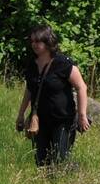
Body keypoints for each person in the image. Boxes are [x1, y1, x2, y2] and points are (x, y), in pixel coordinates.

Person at [15, 25, 90, 170]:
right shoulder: (31, 64)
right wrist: (21, 114)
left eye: (38, 41)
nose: (34, 45)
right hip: (40, 119)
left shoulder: (63, 63)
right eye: (32, 41)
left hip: (63, 119)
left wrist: (82, 115)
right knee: (41, 160)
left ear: (48, 42)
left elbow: (81, 87)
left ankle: (72, 175)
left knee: (60, 158)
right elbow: (29, 90)